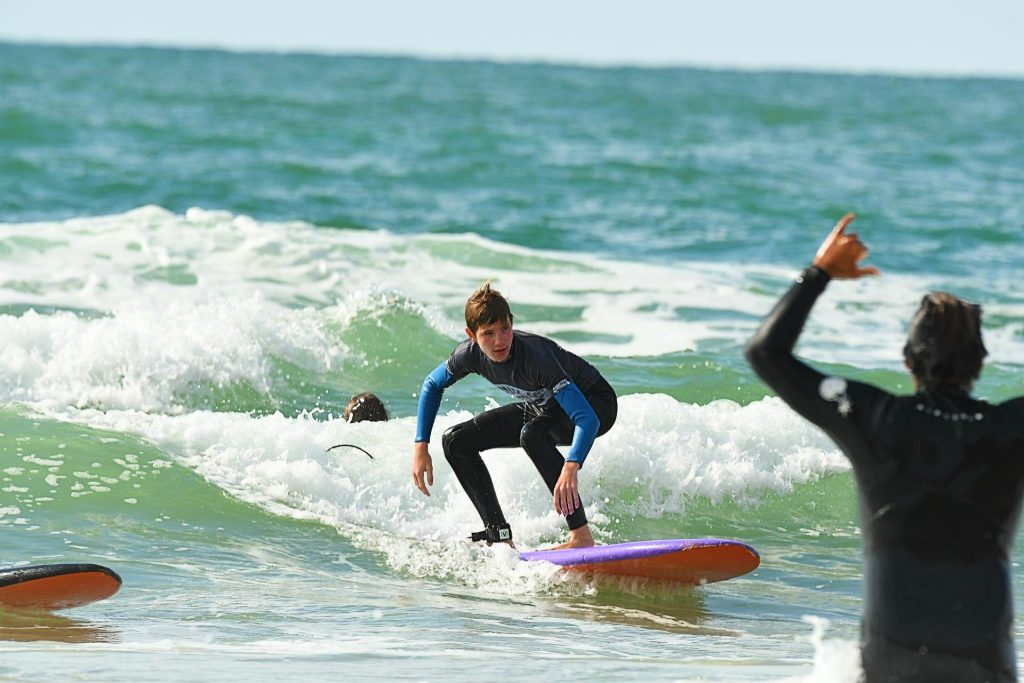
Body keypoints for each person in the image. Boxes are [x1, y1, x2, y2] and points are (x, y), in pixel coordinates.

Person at [746, 213, 1024, 683]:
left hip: (892, 663)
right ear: (980, 362)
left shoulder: (874, 416)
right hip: (986, 666)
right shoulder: (1012, 426)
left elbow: (765, 352)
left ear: (908, 361)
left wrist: (819, 274)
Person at [411, 282, 617, 549]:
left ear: (512, 323)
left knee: (532, 435)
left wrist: (571, 465)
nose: (500, 340)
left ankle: (581, 536)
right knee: (456, 441)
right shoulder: (468, 355)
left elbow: (587, 418)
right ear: (471, 335)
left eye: (505, 328)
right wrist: (420, 445)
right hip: (546, 405)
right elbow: (432, 384)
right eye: (488, 333)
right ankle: (499, 535)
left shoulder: (536, 357)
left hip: (595, 403)